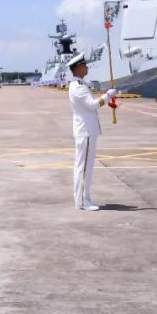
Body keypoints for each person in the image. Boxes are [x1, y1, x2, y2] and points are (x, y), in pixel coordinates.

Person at [66, 53, 116, 211]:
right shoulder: (78, 87)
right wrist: (108, 96)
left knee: (84, 166)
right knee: (84, 167)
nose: (87, 67)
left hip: (87, 130)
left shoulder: (80, 84)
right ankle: (82, 201)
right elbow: (92, 105)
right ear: (78, 68)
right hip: (86, 131)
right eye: (85, 65)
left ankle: (83, 199)